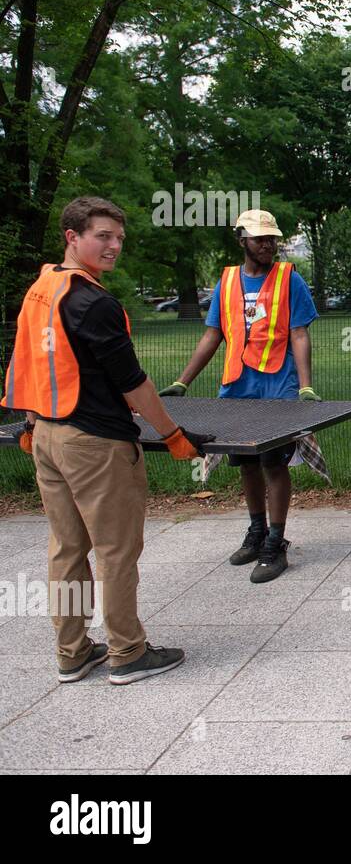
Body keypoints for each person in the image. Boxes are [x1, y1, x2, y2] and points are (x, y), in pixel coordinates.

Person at [2, 196, 211, 685]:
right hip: (95, 442)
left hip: (48, 434)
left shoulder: (43, 288)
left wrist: (32, 421)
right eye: (103, 236)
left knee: (66, 549)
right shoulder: (94, 302)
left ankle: (72, 652)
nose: (114, 245)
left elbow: (33, 363)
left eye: (119, 237)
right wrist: (173, 435)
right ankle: (128, 651)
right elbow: (132, 383)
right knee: (116, 551)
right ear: (72, 237)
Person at [159, 209, 319, 583]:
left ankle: (276, 542)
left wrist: (306, 385)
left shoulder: (289, 279)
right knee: (247, 463)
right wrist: (183, 381)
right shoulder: (227, 281)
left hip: (277, 387)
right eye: (260, 239)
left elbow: (298, 334)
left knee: (273, 464)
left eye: (272, 239)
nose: (268, 245)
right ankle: (257, 531)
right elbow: (213, 335)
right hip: (235, 387)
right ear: (242, 240)